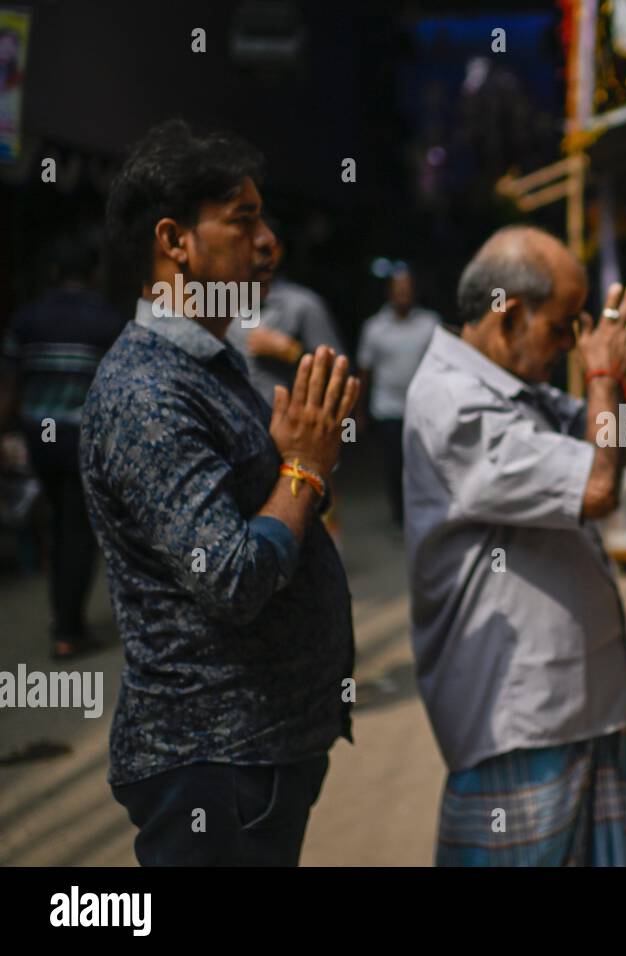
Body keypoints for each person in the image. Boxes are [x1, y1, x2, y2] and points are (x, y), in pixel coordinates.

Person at [81, 119, 360, 866]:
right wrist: (304, 469)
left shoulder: (216, 364)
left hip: (261, 753)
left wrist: (296, 465)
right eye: (244, 220)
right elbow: (230, 576)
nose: (269, 241)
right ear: (175, 242)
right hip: (213, 765)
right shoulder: (147, 391)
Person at [403, 225, 626, 865]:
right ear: (509, 315)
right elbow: (599, 486)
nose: (571, 348)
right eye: (562, 329)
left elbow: (611, 449)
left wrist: (615, 381)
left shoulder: (512, 387)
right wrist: (601, 373)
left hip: (582, 707)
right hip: (521, 720)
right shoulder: (456, 404)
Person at [0, 232, 125, 659]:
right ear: (94, 273)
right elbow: (121, 390)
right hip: (83, 441)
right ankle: (68, 629)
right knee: (78, 530)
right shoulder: (108, 321)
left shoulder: (27, 319)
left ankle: (64, 619)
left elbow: (9, 386)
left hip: (40, 439)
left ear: (54, 273)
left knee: (57, 526)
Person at [225, 228, 345, 408]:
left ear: (276, 252)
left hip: (286, 424)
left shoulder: (303, 305)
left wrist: (293, 353)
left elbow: (341, 375)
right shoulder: (222, 305)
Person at [357, 268, 439, 525]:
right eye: (398, 288)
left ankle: (424, 513)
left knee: (423, 464)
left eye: (407, 288)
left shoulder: (430, 323)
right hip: (387, 407)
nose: (403, 293)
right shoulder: (374, 328)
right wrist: (359, 410)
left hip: (422, 408)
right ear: (390, 292)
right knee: (395, 463)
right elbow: (365, 370)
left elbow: (442, 365)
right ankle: (400, 516)